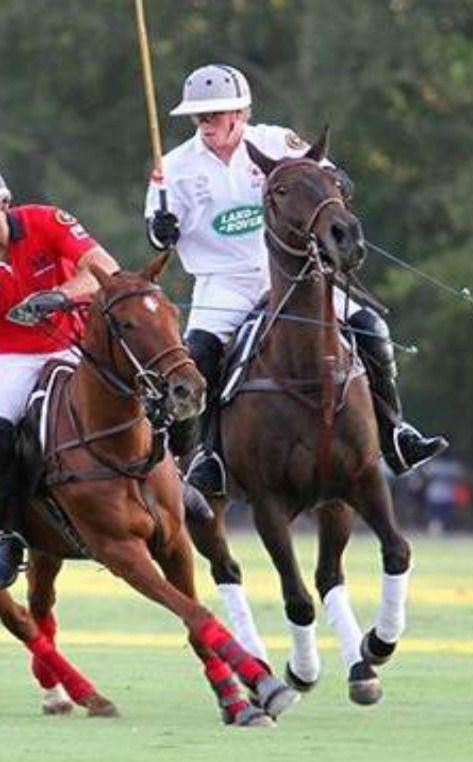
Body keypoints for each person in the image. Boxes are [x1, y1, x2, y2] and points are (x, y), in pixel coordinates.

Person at [145, 63, 447, 496]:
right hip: (222, 281)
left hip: (292, 273)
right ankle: (208, 455)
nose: (205, 122)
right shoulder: (173, 167)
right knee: (198, 356)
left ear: (241, 113)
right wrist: (163, 229)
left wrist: (337, 179)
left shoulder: (274, 142)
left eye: (215, 113)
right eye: (199, 115)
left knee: (371, 329)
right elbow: (157, 235)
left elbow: (332, 178)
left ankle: (395, 434)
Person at [0, 158, 121, 589]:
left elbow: (106, 270)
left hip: (78, 346)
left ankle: (178, 480)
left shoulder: (47, 221)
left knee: (144, 389)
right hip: (12, 358)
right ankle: (5, 534)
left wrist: (58, 296)